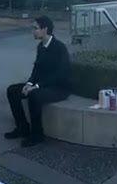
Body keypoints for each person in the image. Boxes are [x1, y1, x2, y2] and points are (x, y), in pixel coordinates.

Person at [4, 15, 71, 147]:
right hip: (42, 85)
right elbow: (36, 69)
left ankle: (37, 134)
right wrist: (29, 83)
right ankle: (22, 127)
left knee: (34, 95)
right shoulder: (41, 47)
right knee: (12, 90)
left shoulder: (59, 48)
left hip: (58, 88)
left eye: (35, 28)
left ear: (45, 29)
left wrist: (37, 86)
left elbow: (59, 74)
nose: (33, 31)